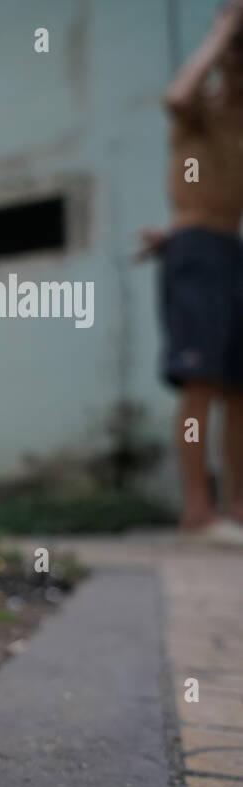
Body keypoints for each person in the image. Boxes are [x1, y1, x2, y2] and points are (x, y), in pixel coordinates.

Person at [140, 1, 243, 543]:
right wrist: (223, 31)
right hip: (197, 248)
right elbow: (177, 95)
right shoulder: (198, 109)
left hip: (230, 251)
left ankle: (236, 510)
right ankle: (198, 512)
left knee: (239, 390)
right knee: (199, 381)